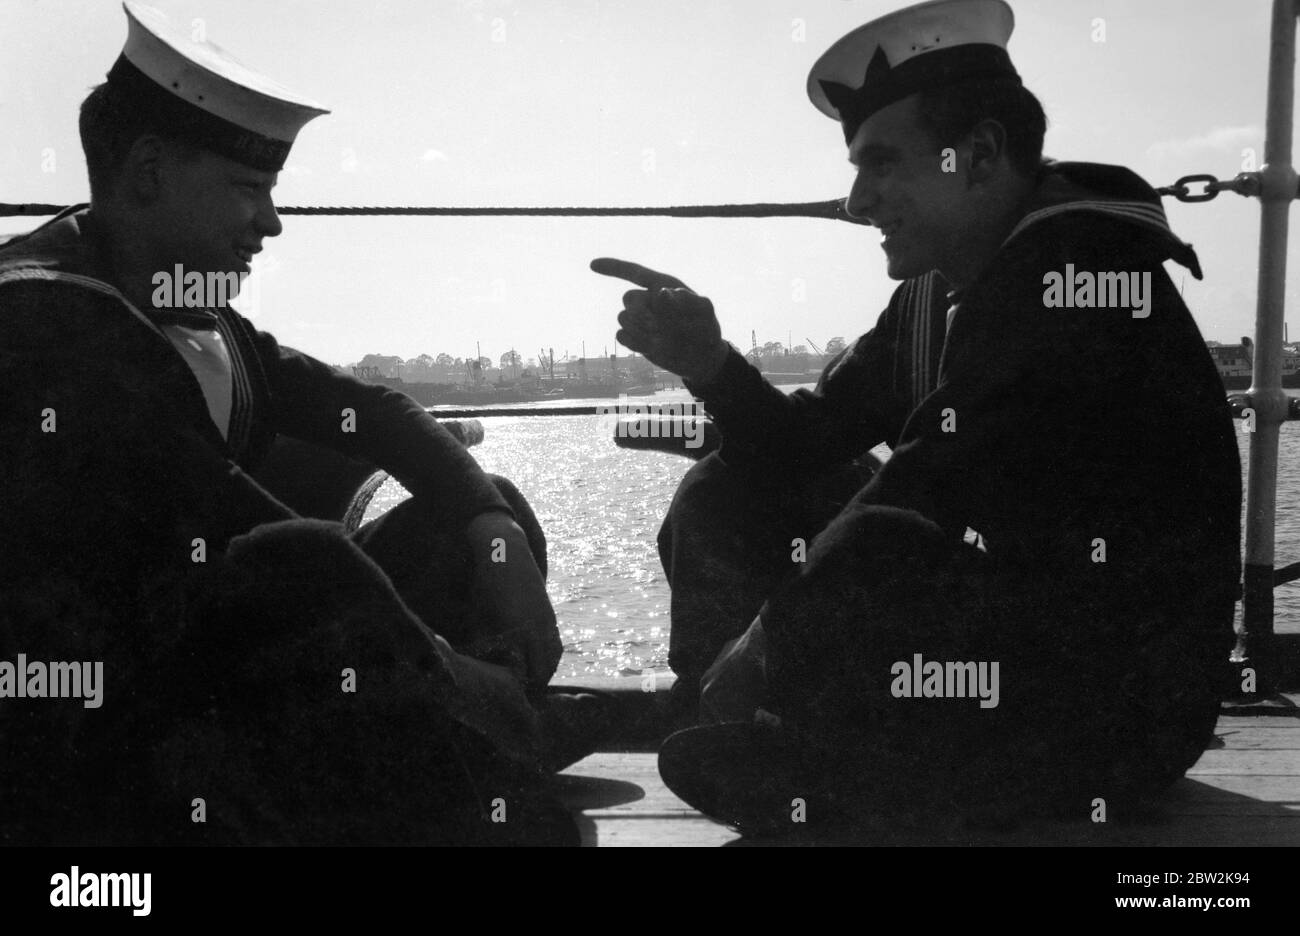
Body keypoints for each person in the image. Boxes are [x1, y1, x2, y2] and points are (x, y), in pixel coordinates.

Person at [593, 0, 1240, 837]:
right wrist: (710, 364)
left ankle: (803, 746)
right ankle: (749, 726)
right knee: (727, 486)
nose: (859, 202)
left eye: (881, 164)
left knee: (879, 544)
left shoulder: (1081, 280)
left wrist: (766, 641)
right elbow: (805, 446)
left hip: (1111, 713)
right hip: (996, 637)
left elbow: (926, 491)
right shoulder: (937, 291)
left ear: (977, 155)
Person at [0, 2, 586, 846]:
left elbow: (375, 415)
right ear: (150, 171)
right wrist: (452, 669)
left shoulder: (193, 306)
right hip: (89, 733)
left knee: (474, 506)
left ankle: (475, 730)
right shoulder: (44, 318)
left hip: (209, 685)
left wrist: (494, 529)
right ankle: (494, 731)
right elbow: (224, 514)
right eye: (249, 191)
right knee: (306, 564)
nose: (271, 224)